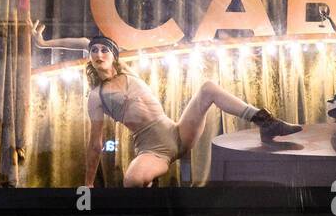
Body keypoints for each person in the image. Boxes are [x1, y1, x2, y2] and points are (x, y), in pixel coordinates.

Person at [33, 26, 300, 188]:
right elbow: (95, 144)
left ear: (114, 56)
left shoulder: (129, 73)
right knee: (132, 181)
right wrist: (88, 183)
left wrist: (48, 43)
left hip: (178, 132)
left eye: (104, 50)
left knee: (208, 88)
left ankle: (265, 122)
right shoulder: (96, 97)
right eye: (94, 52)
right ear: (89, 59)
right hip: (153, 149)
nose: (99, 54)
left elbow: (85, 40)